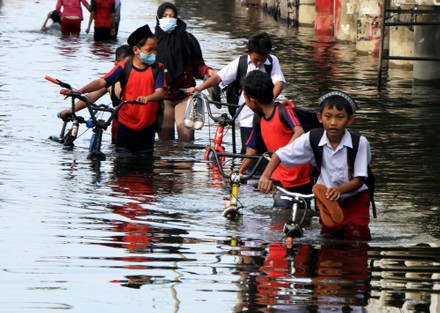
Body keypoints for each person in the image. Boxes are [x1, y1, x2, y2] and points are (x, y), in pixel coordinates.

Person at [258, 91, 372, 241]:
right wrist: (265, 176)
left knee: (357, 234)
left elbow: (359, 179)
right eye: (328, 116)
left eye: (340, 117)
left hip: (355, 198)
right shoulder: (312, 138)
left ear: (350, 120)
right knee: (330, 237)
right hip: (326, 199)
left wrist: (339, 190)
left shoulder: (359, 143)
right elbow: (280, 154)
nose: (333, 122)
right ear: (319, 117)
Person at [60, 24, 166, 154]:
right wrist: (79, 91)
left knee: (144, 165)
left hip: (147, 125)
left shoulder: (158, 68)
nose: (153, 54)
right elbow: (102, 81)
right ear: (136, 50)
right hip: (125, 124)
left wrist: (148, 98)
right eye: (149, 50)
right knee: (121, 162)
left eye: (155, 50)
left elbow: (160, 92)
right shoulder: (124, 67)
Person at [189, 32, 286, 153]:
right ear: (248, 52)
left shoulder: (272, 62)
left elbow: (279, 83)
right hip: (246, 115)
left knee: (267, 150)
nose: (260, 63)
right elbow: (219, 77)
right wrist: (199, 88)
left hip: (266, 115)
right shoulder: (241, 63)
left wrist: (268, 101)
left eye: (263, 60)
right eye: (256, 60)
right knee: (248, 150)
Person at [239, 71, 312, 209]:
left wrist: (283, 153)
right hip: (279, 178)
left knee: (298, 214)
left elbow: (299, 130)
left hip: (300, 178)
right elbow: (253, 148)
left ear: (252, 100)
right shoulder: (259, 119)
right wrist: (240, 171)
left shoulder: (284, 111)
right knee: (280, 213)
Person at [154, 2, 215, 141]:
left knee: (186, 140)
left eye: (172, 16)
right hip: (162, 98)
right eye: (164, 16)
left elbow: (197, 67)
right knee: (164, 146)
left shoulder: (188, 39)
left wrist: (208, 71)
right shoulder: (152, 42)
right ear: (158, 18)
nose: (168, 19)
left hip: (185, 95)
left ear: (177, 18)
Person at [58, 44, 133, 143]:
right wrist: (71, 110)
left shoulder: (136, 82)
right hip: (118, 126)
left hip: (134, 125)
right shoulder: (110, 83)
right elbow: (89, 98)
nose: (127, 68)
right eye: (124, 65)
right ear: (116, 64)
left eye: (130, 65)